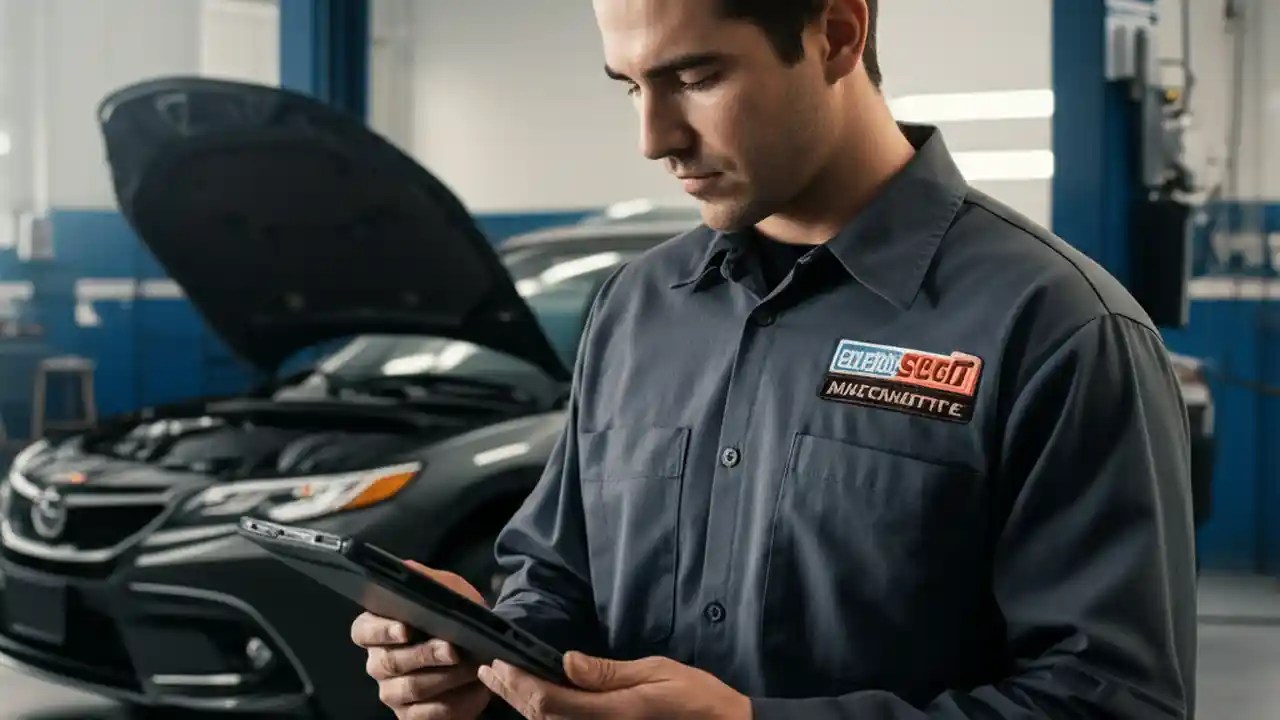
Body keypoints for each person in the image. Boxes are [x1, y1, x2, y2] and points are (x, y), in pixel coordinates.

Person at [350, 0, 1199, 717]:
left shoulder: (1058, 329)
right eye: (631, 87)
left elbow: (1111, 698)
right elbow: (556, 576)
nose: (653, 139)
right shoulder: (637, 309)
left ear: (836, 33)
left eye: (695, 77)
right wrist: (492, 658)